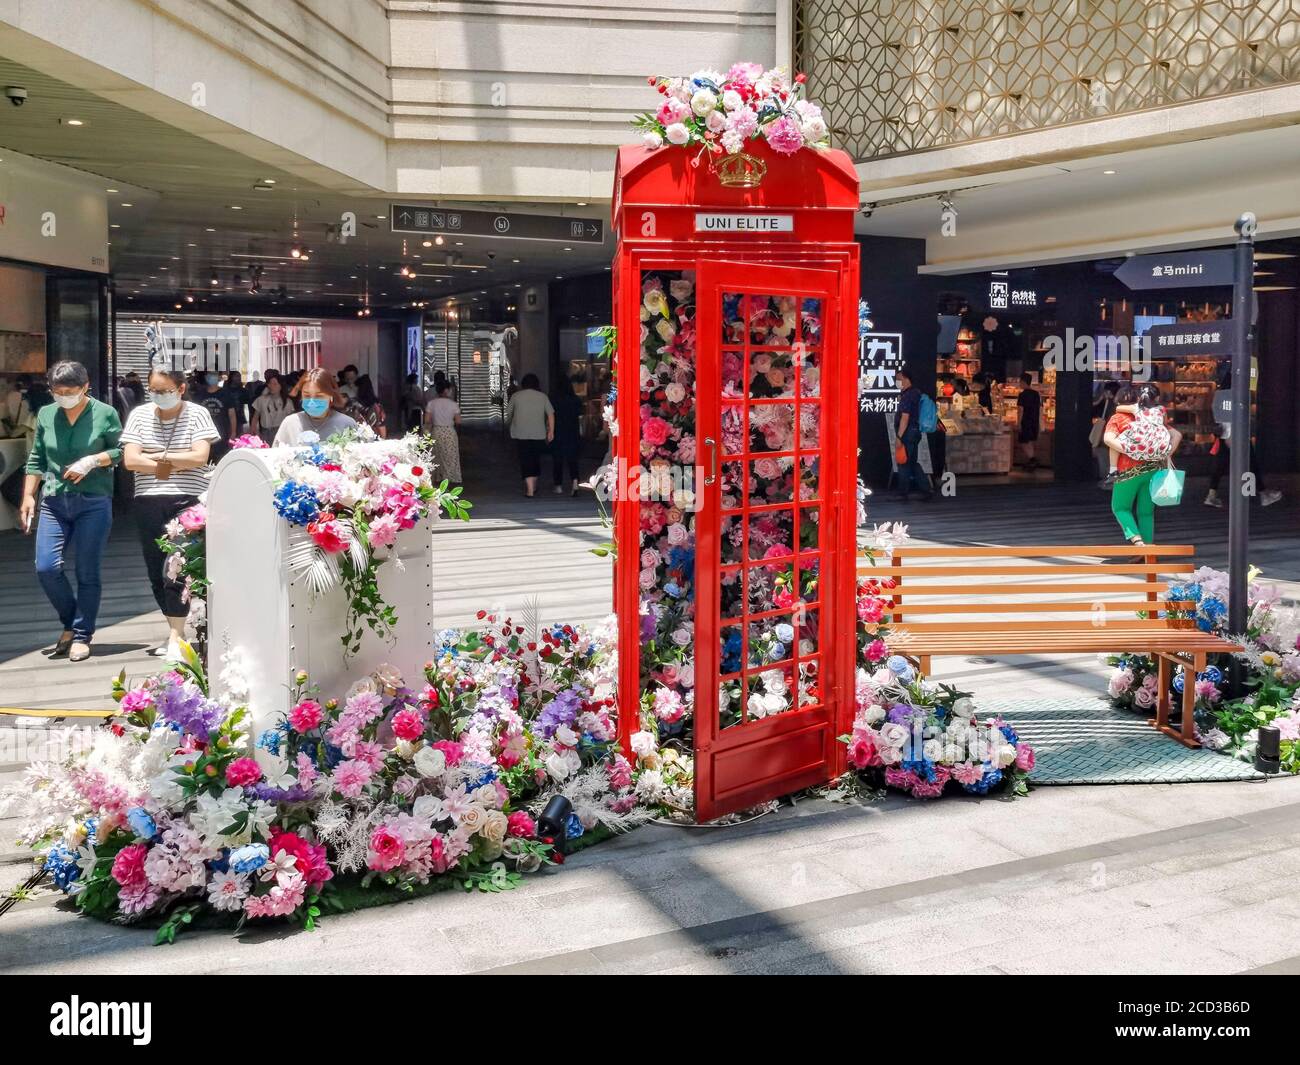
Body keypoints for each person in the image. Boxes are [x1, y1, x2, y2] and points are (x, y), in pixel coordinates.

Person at [19, 361, 122, 662]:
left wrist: (93, 460)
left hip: (93, 501)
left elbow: (121, 451)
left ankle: (80, 634)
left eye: (71, 391)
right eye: (58, 391)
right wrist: (28, 495)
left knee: (87, 571)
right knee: (46, 568)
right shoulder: (47, 414)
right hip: (54, 500)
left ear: (86, 386)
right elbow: (37, 456)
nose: (64, 396)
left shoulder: (105, 413)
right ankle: (70, 621)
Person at [121, 368, 220, 660]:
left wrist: (152, 458)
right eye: (153, 390)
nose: (158, 396)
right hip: (148, 500)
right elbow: (129, 460)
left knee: (175, 564)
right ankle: (175, 628)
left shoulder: (197, 413)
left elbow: (199, 456)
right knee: (155, 568)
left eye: (164, 390)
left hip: (188, 500)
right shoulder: (139, 415)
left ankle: (176, 635)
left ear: (180, 388)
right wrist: (176, 460)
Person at [1103, 383, 1182, 546]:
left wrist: (1131, 450)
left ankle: (1137, 541)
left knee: (1120, 508)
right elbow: (1176, 434)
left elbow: (1108, 440)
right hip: (1153, 470)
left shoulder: (1118, 418)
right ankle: (1148, 553)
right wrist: (1166, 453)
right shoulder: (1153, 416)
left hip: (1127, 473)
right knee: (1146, 512)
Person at [1204, 364, 1282, 509]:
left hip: (1226, 435)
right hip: (1234, 435)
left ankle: (1212, 495)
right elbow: (1227, 419)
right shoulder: (1230, 396)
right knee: (1250, 462)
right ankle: (1261, 494)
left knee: (1221, 465)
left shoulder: (1220, 395)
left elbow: (1221, 418)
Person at [274, 367, 357, 446]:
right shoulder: (290, 423)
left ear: (331, 396)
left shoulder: (347, 424)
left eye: (319, 396)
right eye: (307, 395)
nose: (312, 402)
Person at [505, 372, 554, 497]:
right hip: (538, 433)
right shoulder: (542, 397)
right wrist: (551, 431)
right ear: (537, 384)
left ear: (523, 384)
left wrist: (510, 423)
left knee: (525, 460)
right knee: (536, 459)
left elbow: (508, 414)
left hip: (520, 433)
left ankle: (530, 490)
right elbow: (550, 414)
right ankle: (533, 484)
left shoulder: (516, 396)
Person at [892, 364, 930, 502]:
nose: (897, 382)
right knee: (913, 462)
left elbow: (905, 417)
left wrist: (899, 437)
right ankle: (926, 490)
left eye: (899, 379)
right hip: (915, 431)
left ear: (907, 379)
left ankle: (902, 493)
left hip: (907, 433)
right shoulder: (916, 393)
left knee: (903, 462)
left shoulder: (908, 396)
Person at [550, 374, 584, 495]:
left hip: (558, 432)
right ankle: (575, 482)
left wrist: (549, 431)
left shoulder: (553, 399)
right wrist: (581, 432)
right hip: (572, 432)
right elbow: (580, 418)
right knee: (572, 459)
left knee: (557, 460)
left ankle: (558, 486)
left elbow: (550, 416)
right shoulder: (575, 400)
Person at [425, 381, 462, 484]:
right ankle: (451, 478)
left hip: (436, 431)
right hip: (450, 432)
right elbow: (458, 421)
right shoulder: (454, 404)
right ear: (447, 390)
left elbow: (427, 421)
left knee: (436, 456)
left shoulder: (431, 403)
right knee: (450, 457)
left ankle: (437, 478)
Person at [196, 369, 237, 462]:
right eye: (209, 374)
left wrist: (233, 432)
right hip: (204, 435)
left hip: (222, 435)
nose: (211, 376)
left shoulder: (226, 394)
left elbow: (232, 415)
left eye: (214, 374)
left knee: (220, 461)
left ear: (219, 377)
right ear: (205, 376)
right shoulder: (199, 395)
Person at [250, 371, 292, 446]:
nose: (271, 386)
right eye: (270, 383)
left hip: (280, 432)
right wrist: (253, 429)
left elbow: (290, 419)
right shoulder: (261, 399)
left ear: (281, 386)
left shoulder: (287, 402)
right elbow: (255, 416)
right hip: (265, 432)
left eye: (275, 384)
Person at [346, 374, 387, 438]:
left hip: (359, 438)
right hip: (375, 439)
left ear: (360, 389)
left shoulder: (354, 404)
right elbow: (382, 432)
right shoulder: (377, 406)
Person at [1015, 372, 1041, 469]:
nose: (1019, 384)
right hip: (1034, 421)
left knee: (1023, 441)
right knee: (1029, 441)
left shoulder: (1022, 395)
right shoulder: (1036, 394)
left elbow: (1020, 410)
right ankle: (1032, 461)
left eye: (1020, 382)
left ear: (1023, 382)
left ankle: (1032, 459)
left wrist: (1019, 423)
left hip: (1025, 421)